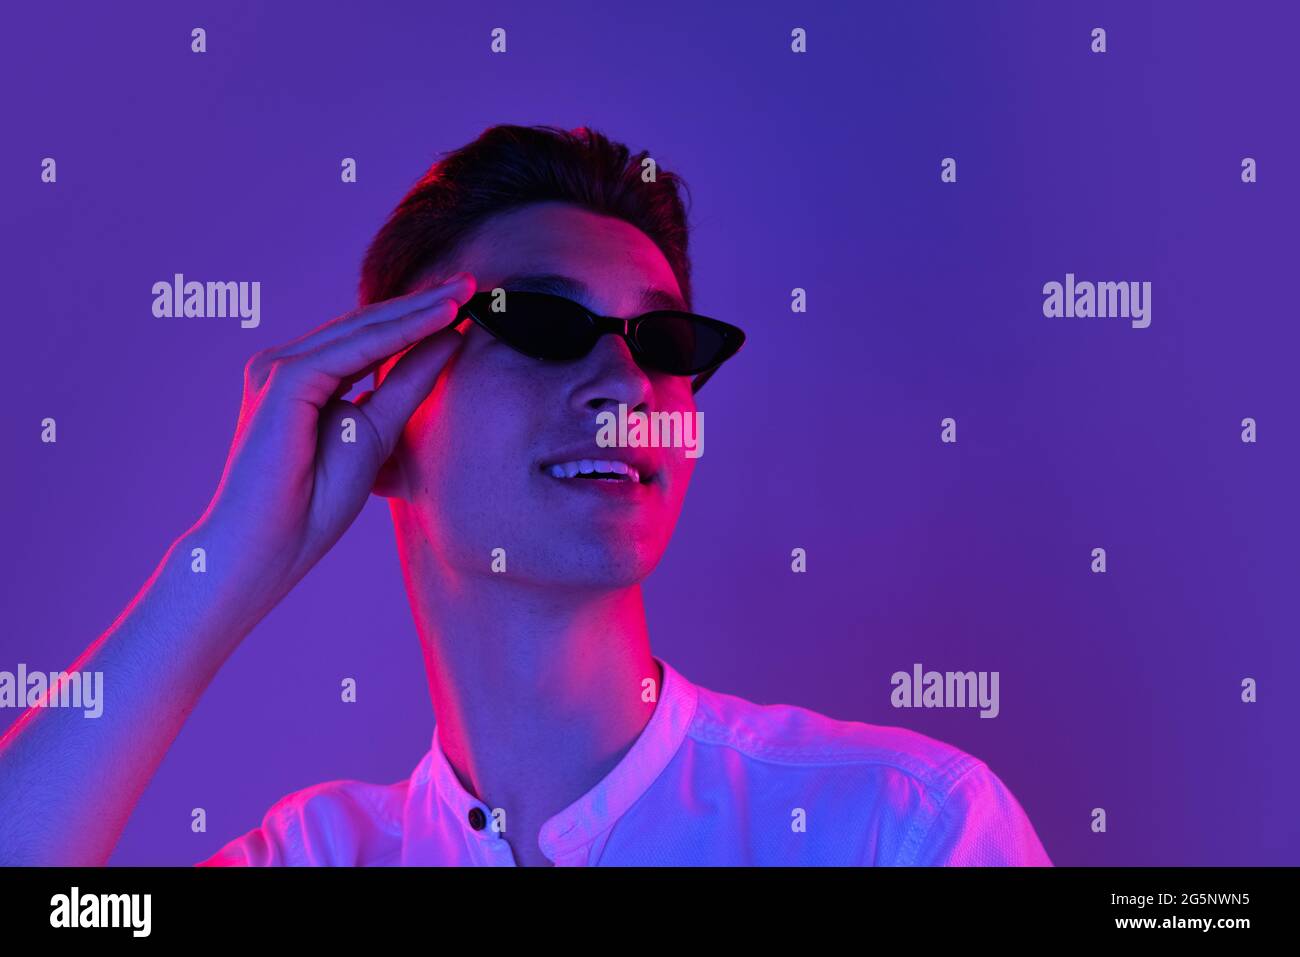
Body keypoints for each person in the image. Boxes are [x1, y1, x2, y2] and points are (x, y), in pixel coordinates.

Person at [0, 124, 1050, 866]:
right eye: (543, 326)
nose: (624, 385)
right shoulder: (312, 856)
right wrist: (224, 562)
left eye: (663, 343)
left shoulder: (900, 830)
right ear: (392, 404)